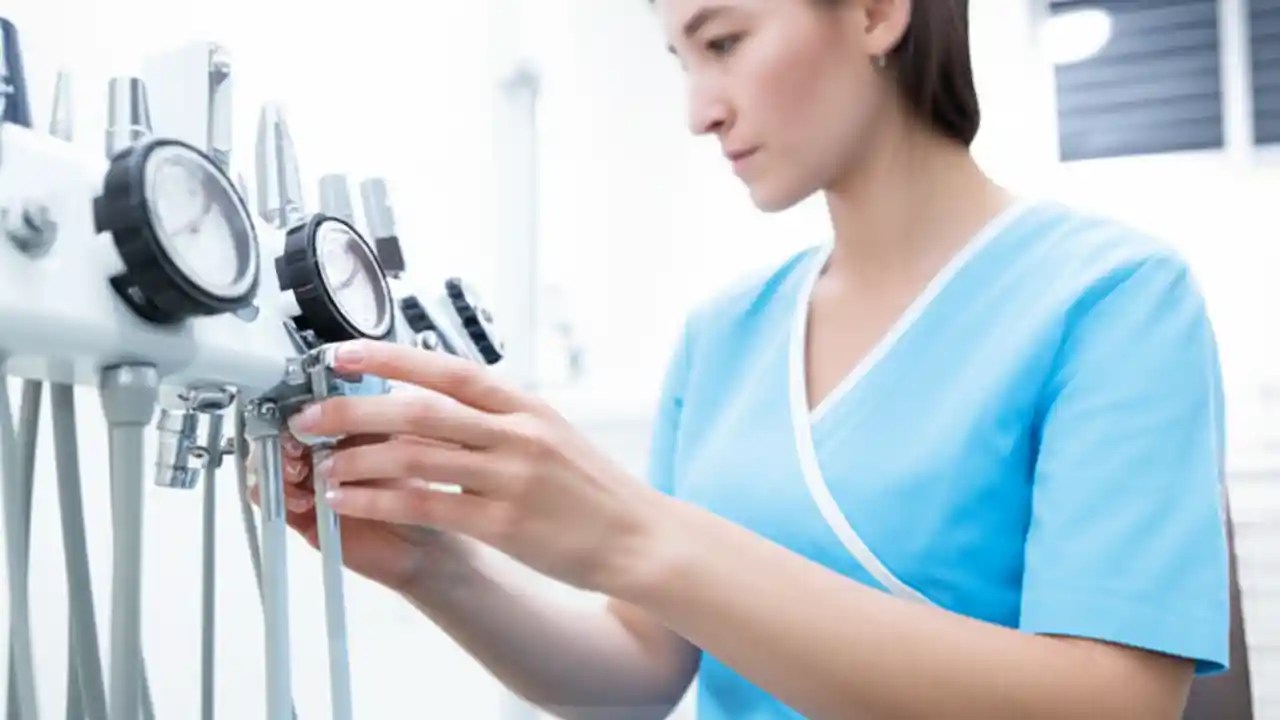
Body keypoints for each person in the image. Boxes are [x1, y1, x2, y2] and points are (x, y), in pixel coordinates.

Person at [253, 0, 1231, 717]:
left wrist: (633, 538)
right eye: (679, 58)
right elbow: (641, 670)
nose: (696, 110)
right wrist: (434, 566)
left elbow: (1109, 706)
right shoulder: (723, 334)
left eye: (722, 43)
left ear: (876, 13)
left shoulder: (1109, 296)